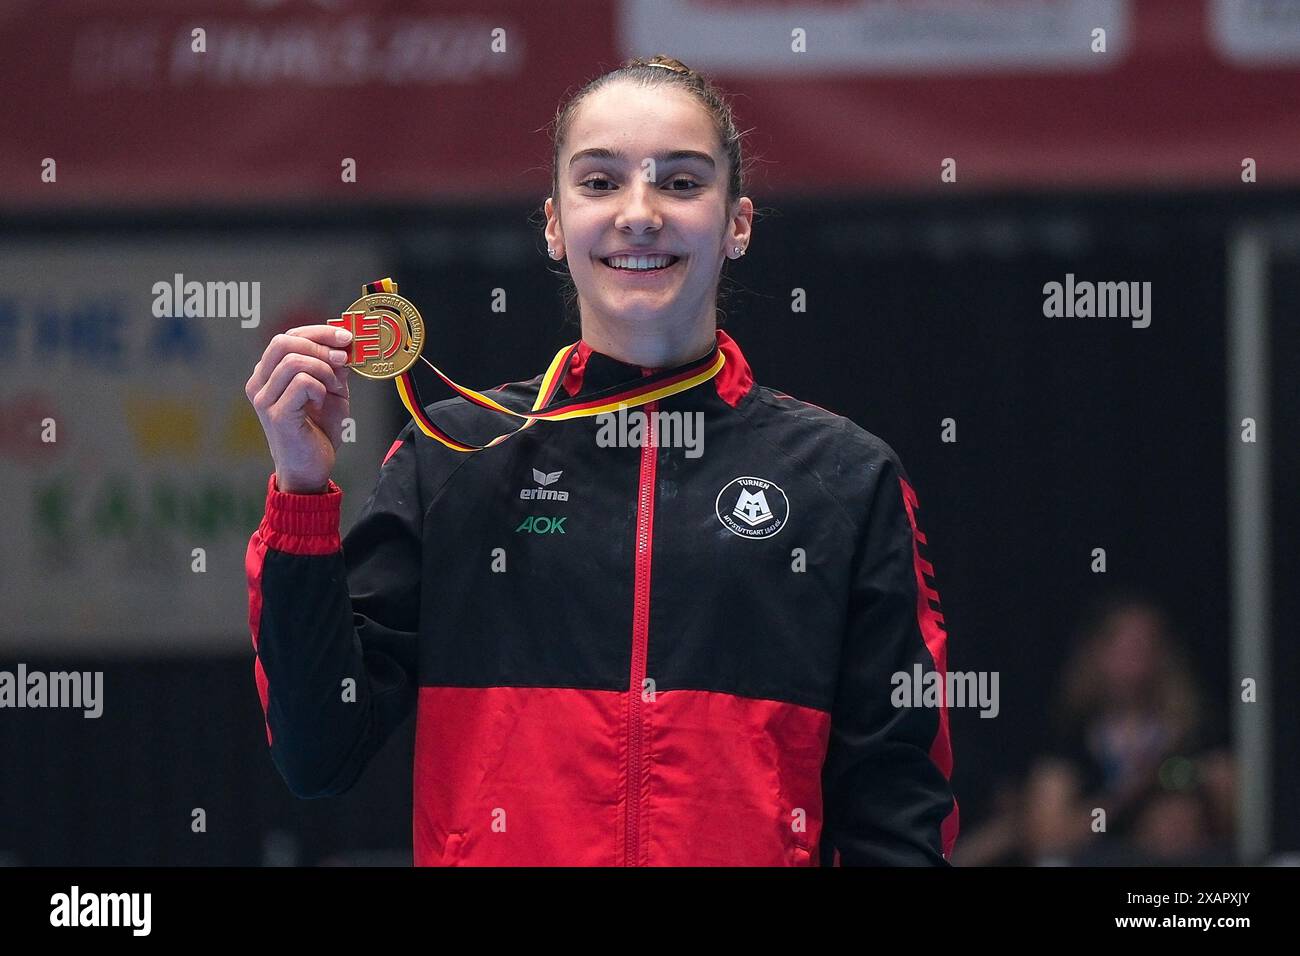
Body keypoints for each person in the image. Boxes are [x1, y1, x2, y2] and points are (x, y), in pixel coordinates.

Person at [243, 54, 958, 866]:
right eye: (600, 182)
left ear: (739, 223)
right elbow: (319, 754)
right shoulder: (452, 458)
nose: (640, 214)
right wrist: (302, 492)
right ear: (554, 223)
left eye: (682, 184)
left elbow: (901, 806)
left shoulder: (845, 479)